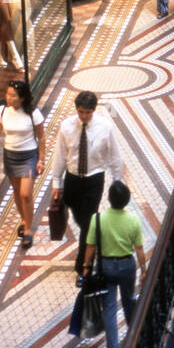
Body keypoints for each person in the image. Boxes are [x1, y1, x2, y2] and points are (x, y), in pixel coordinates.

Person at [51, 90, 123, 281]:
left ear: (94, 110)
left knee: (87, 225)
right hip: (72, 179)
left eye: (87, 112)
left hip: (94, 179)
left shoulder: (105, 128)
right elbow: (60, 154)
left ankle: (83, 265)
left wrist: (117, 180)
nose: (83, 116)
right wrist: (56, 181)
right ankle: (95, 243)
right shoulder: (66, 126)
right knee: (80, 219)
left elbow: (114, 155)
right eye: (80, 112)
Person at [0, 79, 45, 249]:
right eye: (7, 95)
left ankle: (29, 229)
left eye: (13, 96)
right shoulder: (1, 111)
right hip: (10, 156)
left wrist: (41, 159)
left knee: (25, 193)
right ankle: (24, 218)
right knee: (16, 191)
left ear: (22, 98)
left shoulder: (33, 113)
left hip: (29, 155)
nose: (8, 98)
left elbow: (41, 137)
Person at [83, 180, 146, 348]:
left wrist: (86, 268)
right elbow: (139, 249)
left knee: (109, 309)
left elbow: (90, 247)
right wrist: (144, 269)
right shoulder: (133, 220)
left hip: (106, 268)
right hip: (127, 266)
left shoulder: (98, 219)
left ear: (109, 198)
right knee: (129, 302)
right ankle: (135, 345)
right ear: (126, 200)